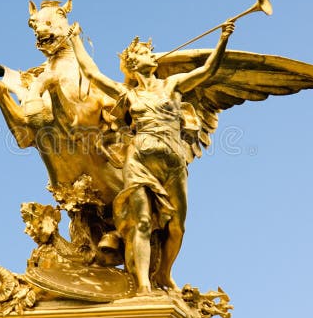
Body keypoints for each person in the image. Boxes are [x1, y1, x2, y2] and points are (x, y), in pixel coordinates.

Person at [68, 21, 235, 294]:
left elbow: (207, 71)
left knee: (177, 226)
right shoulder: (128, 94)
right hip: (139, 161)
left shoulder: (172, 85)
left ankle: (164, 274)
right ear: (134, 63)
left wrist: (223, 40)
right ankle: (144, 285)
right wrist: (75, 40)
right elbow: (91, 73)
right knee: (142, 222)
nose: (153, 56)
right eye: (147, 52)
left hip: (173, 162)